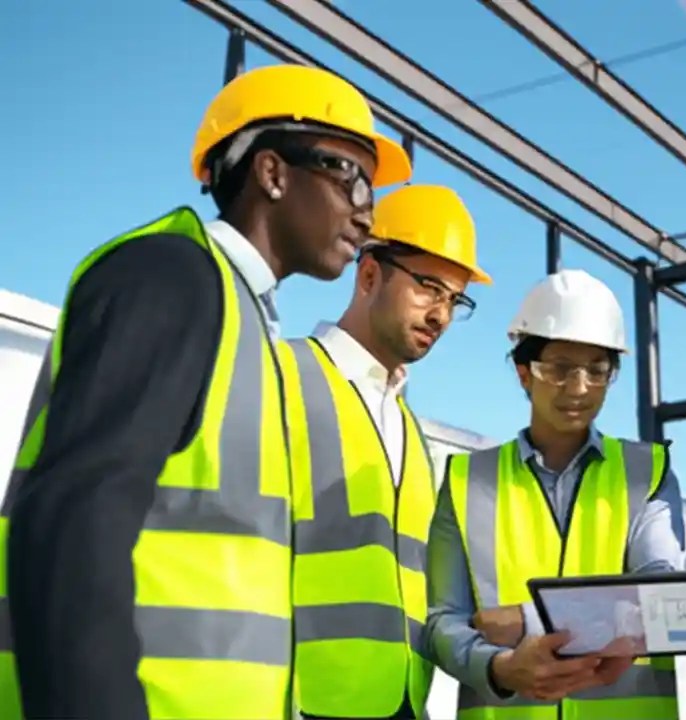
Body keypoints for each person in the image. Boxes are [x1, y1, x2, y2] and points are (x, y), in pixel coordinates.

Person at [0, 63, 411, 720]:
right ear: (272, 173)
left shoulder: (249, 328)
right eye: (350, 176)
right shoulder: (171, 276)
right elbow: (74, 521)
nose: (366, 211)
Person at [425, 269, 685, 719]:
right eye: (560, 369)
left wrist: (529, 621)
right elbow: (441, 621)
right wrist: (500, 668)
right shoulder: (467, 479)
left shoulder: (647, 473)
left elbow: (663, 600)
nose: (579, 388)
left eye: (597, 371)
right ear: (525, 373)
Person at [280, 184, 489, 720]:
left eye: (454, 299)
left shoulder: (411, 431)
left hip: (403, 706)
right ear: (369, 274)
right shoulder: (282, 378)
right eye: (429, 288)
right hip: (305, 705)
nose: (441, 315)